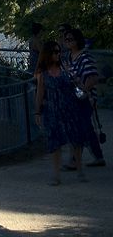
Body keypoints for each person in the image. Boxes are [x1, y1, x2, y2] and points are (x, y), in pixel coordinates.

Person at [34, 40, 85, 184]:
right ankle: (56, 175)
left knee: (75, 139)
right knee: (55, 142)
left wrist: (75, 80)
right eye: (55, 52)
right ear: (48, 54)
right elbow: (39, 94)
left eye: (59, 52)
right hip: (53, 111)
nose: (58, 54)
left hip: (69, 109)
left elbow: (77, 83)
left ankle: (79, 169)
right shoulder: (43, 74)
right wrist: (37, 112)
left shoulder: (65, 69)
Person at [64, 27, 106, 168]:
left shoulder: (84, 57)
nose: (67, 42)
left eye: (70, 39)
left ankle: (76, 160)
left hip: (84, 99)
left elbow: (93, 77)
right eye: (66, 39)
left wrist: (83, 90)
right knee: (84, 128)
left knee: (81, 128)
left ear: (77, 41)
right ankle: (97, 157)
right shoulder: (69, 57)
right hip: (74, 99)